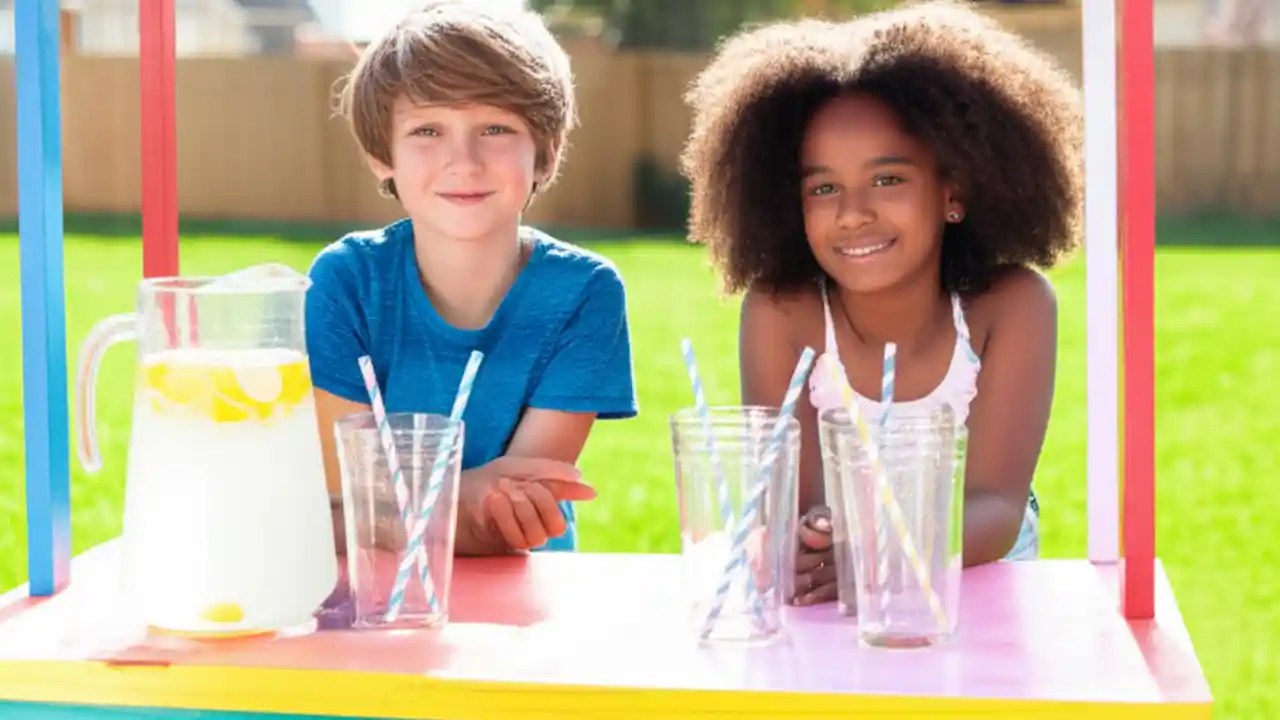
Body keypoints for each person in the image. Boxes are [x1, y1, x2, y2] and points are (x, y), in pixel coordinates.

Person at [679, 0, 1082, 605]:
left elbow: (995, 507)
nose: (853, 213)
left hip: (973, 584)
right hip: (833, 582)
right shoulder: (780, 311)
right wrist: (822, 537)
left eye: (888, 179)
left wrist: (877, 552)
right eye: (824, 188)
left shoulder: (1013, 306)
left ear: (955, 189)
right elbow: (793, 501)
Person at [308, 1, 637, 558]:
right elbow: (345, 500)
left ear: (546, 155)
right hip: (376, 602)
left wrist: (395, 513)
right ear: (379, 154)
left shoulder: (585, 293)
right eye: (427, 130)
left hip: (521, 603)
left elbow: (520, 513)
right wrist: (466, 502)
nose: (464, 160)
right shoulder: (344, 282)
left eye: (495, 128)